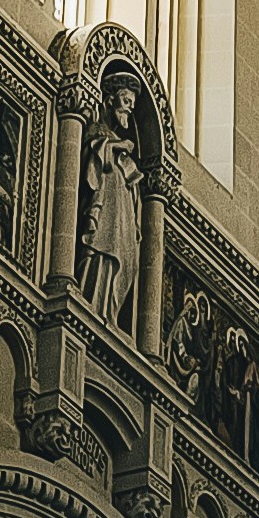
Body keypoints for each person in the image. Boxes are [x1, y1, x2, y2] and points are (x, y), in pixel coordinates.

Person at [78, 70, 144, 336]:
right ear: (109, 100)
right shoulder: (99, 130)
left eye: (131, 104)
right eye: (125, 101)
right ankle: (93, 301)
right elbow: (91, 158)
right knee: (101, 249)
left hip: (123, 217)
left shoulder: (119, 139)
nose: (128, 109)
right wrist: (116, 147)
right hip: (105, 208)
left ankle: (111, 313)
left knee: (127, 261)